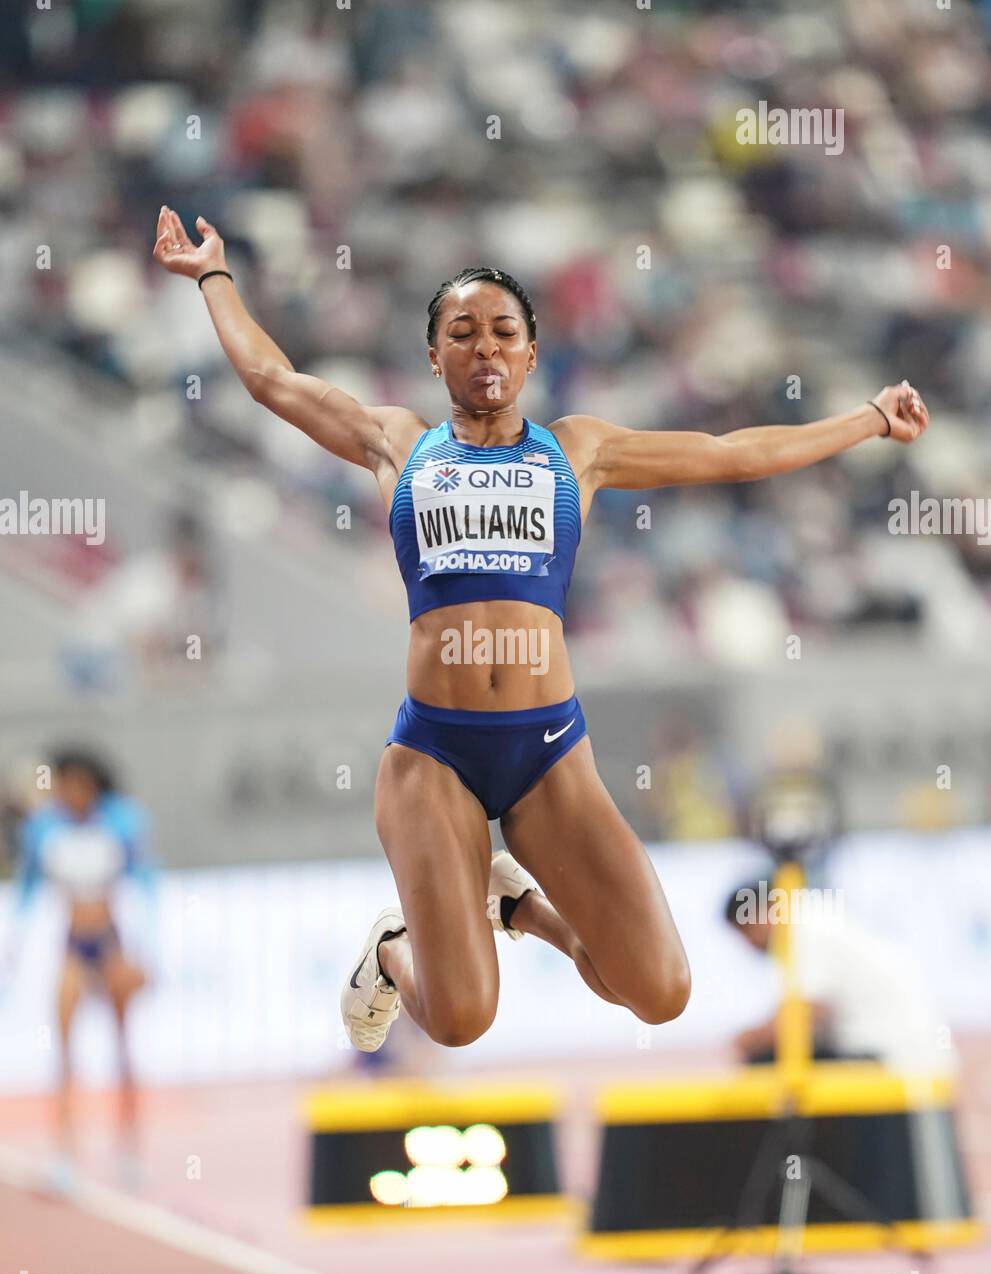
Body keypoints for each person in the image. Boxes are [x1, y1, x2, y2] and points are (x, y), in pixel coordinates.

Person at [152, 205, 929, 1054]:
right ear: (433, 354)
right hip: (435, 756)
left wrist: (867, 419)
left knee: (657, 991)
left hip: (549, 751)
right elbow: (271, 380)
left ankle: (517, 904)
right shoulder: (396, 444)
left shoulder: (578, 451)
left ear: (529, 352)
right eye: (462, 331)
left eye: (502, 332)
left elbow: (731, 451)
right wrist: (213, 277)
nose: (484, 347)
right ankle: (387, 950)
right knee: (459, 1020)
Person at [6, 751, 156, 1188]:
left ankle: (129, 1149)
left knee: (123, 1048)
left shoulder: (121, 822)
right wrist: (15, 942)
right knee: (65, 1051)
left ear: (91, 784)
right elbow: (30, 885)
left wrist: (145, 948)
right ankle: (65, 1152)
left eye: (76, 785)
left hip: (111, 943)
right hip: (72, 946)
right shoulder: (44, 828)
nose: (69, 793)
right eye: (62, 785)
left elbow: (144, 882)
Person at [724, 882, 956, 1075]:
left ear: (759, 914)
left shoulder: (803, 929)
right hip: (900, 1051)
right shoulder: (812, 920)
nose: (749, 945)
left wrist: (748, 1040)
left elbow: (803, 1016)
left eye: (746, 933)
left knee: (767, 1062)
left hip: (898, 1056)